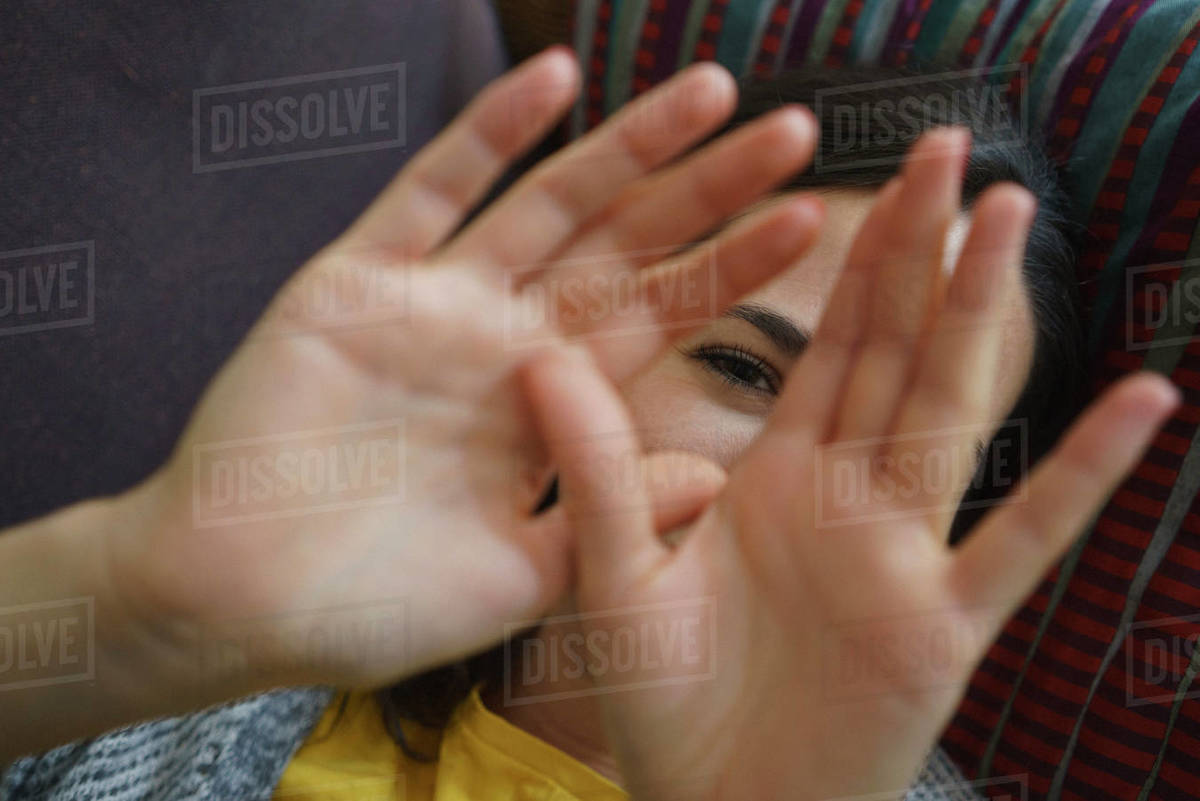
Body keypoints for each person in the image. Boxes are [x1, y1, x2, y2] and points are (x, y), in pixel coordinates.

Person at [0, 48, 1178, 801]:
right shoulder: (228, 657)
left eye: (886, 456)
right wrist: (136, 609)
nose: (774, 487)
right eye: (739, 367)